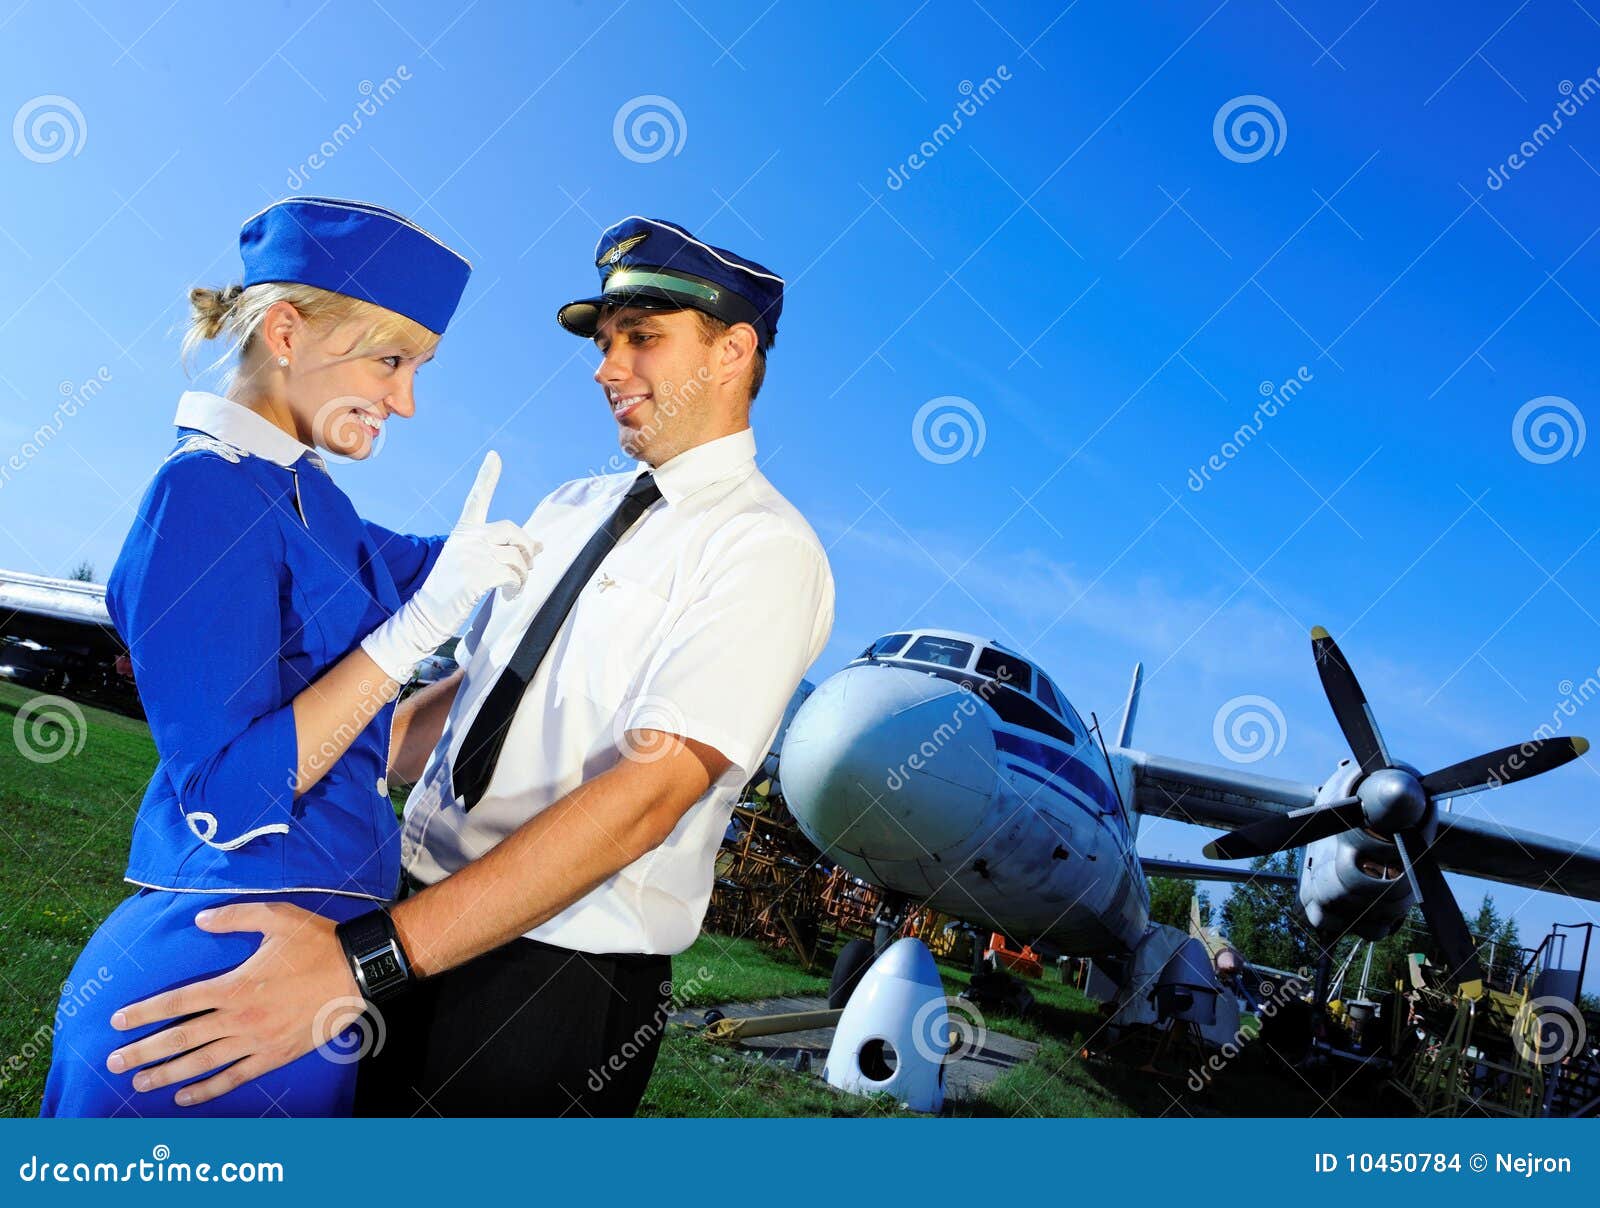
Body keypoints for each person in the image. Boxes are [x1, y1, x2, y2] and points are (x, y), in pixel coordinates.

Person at [104, 216, 835, 1117]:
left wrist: (366, 958)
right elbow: (479, 695)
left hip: (544, 979)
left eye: (641, 338)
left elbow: (647, 799)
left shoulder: (763, 550)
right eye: (604, 343)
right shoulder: (569, 507)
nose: (607, 368)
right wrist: (315, 776)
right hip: (398, 924)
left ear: (732, 352)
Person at [41, 197, 539, 1117]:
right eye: (391, 361)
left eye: (418, 369)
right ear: (284, 333)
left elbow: (443, 566)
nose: (406, 401)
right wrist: (412, 635)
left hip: (311, 962)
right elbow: (227, 796)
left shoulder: (316, 501)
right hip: (217, 978)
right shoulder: (201, 496)